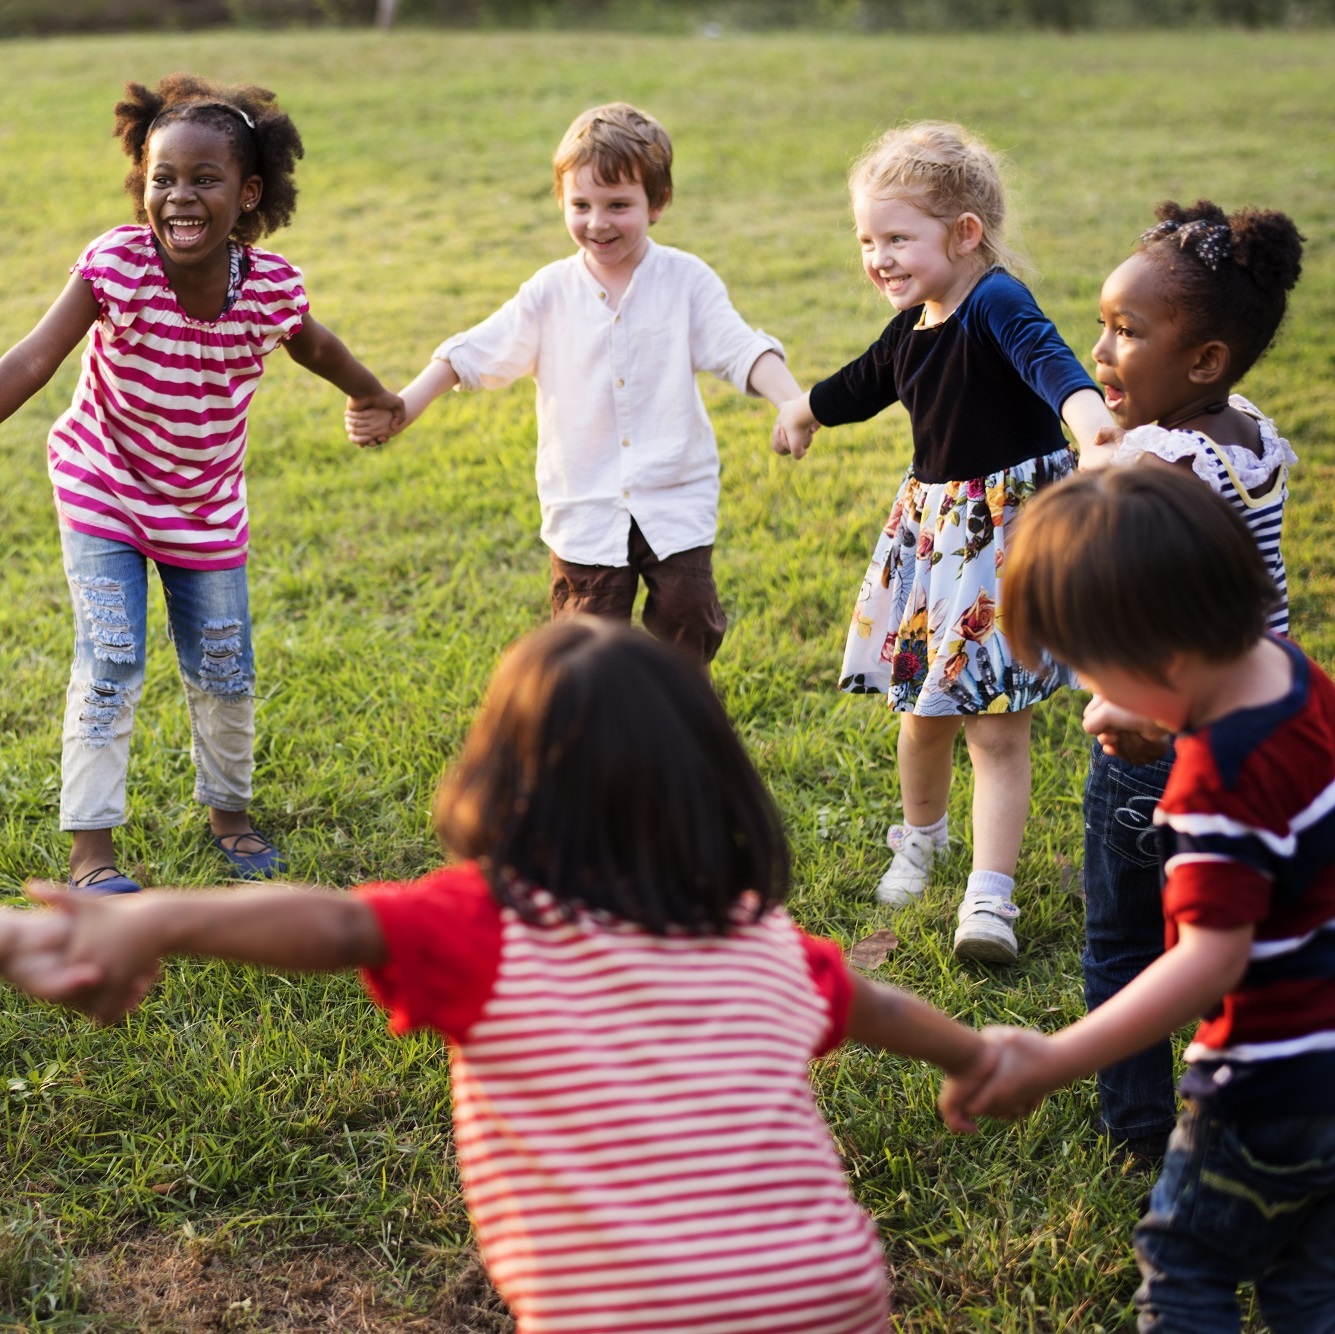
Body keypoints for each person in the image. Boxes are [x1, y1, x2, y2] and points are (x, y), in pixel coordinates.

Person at [11, 617, 996, 1333]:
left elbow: (337, 920)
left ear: (502, 778)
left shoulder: (492, 923)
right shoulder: (762, 938)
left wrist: (161, 914)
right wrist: (977, 1055)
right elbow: (880, 1007)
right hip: (829, 1290)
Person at [944, 466, 1335, 1333]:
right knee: (1307, 1280)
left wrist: (1055, 1059)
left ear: (1162, 660)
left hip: (1264, 1088)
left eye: (1089, 670)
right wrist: (1158, 714)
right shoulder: (1291, 674)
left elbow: (1208, 959)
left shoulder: (1210, 788)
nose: (1086, 695)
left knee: (1185, 1273)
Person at [0, 74, 403, 895]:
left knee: (223, 663)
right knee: (110, 657)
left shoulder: (270, 288)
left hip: (205, 506)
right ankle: (92, 855)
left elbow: (319, 348)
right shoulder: (116, 264)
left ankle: (229, 817)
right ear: (142, 185)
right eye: (163, 179)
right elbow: (37, 358)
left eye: (204, 180)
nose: (180, 197)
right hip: (103, 487)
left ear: (248, 192)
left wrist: (374, 394)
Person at [773, 121, 1113, 964]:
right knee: (922, 714)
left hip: (1008, 542)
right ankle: (921, 838)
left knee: (998, 725)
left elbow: (1051, 364)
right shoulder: (913, 324)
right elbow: (858, 384)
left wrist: (1090, 421)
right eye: (866, 239)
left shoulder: (994, 300)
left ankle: (989, 902)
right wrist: (802, 410)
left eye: (896, 238)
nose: (877, 257)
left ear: (964, 234)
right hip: (934, 541)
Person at [344, 102, 805, 667]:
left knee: (690, 623)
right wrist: (407, 403)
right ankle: (594, 740)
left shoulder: (686, 280)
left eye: (619, 205)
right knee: (586, 645)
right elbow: (475, 350)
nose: (598, 222)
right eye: (581, 205)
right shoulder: (549, 292)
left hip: (674, 495)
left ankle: (682, 723)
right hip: (584, 503)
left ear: (656, 204)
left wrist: (791, 402)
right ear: (561, 200)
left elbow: (740, 348)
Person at [1078, 200, 1304, 1164]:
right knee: (1227, 928)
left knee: (1126, 940)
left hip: (1156, 740)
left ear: (1203, 361)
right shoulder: (1246, 436)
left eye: (1126, 333)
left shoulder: (1159, 464)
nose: (1099, 349)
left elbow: (1112, 577)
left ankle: (1134, 1125)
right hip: (1260, 726)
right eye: (1102, 323)